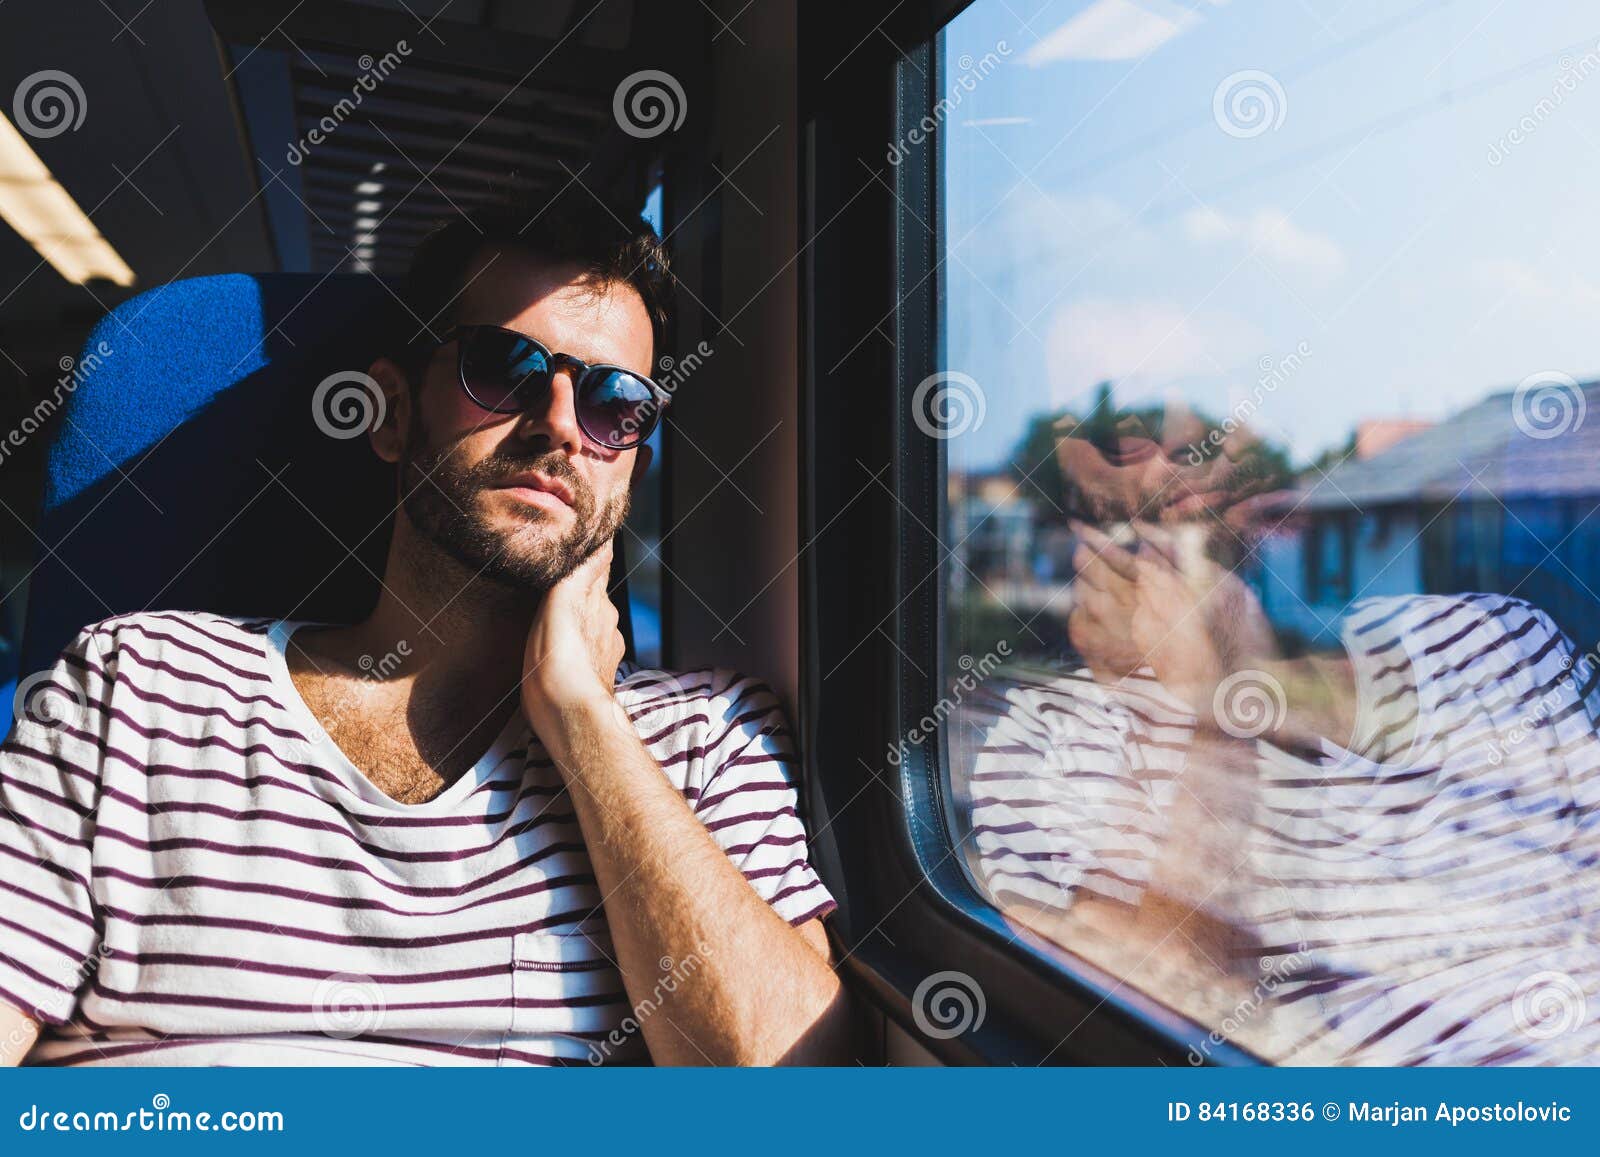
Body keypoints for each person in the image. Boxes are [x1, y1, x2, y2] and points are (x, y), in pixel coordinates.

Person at [0, 193, 849, 1067]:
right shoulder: (136, 686)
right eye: (507, 366)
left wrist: (583, 717)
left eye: (614, 402)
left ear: (631, 461)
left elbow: (786, 1084)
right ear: (396, 412)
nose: (561, 423)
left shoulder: (708, 739)